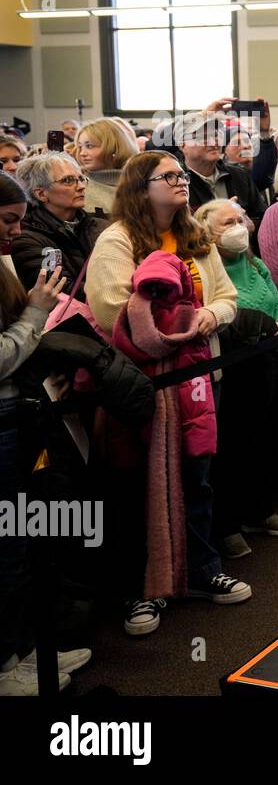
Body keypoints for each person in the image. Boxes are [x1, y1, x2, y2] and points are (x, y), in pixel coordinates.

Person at [83, 151, 251, 633]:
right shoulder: (117, 240)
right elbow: (114, 309)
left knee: (197, 476)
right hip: (146, 385)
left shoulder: (196, 237)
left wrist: (209, 317)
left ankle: (202, 570)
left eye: (182, 175)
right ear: (141, 187)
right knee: (141, 484)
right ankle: (144, 590)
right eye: (169, 176)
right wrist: (183, 325)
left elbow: (226, 297)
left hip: (199, 378)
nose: (181, 182)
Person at [0, 172, 79, 693]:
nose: (17, 231)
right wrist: (35, 313)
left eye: (21, 220)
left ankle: (31, 649)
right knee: (7, 550)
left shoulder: (3, 257)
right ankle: (9, 665)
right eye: (8, 220)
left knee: (23, 542)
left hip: (16, 418)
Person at [193, 198, 278, 550]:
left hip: (270, 361)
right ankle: (227, 525)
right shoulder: (206, 267)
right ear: (206, 231)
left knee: (266, 438)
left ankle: (259, 510)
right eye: (228, 222)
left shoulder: (252, 261)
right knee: (232, 447)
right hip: (233, 368)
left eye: (241, 218)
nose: (239, 226)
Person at [10, 153, 103, 296]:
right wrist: (115, 290)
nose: (81, 187)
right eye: (68, 180)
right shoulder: (26, 239)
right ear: (41, 194)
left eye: (81, 178)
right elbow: (61, 291)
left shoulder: (100, 225)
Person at [171, 113, 264, 222]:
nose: (213, 142)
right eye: (203, 137)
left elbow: (262, 218)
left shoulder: (239, 176)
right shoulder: (177, 184)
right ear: (183, 146)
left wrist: (247, 224)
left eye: (215, 135)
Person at [75, 118, 138, 217]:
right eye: (80, 147)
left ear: (113, 147)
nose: (82, 153)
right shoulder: (78, 187)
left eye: (89, 146)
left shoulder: (138, 184)